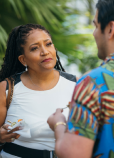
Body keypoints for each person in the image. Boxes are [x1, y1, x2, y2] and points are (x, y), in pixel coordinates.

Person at [0, 24, 77, 158]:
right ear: (23, 59)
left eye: (48, 44)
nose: (45, 52)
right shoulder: (7, 88)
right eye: (34, 48)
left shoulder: (75, 84)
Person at [47, 0, 114, 158]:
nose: (94, 33)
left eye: (96, 26)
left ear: (110, 29)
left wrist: (59, 124)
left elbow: (74, 154)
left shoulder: (94, 83)